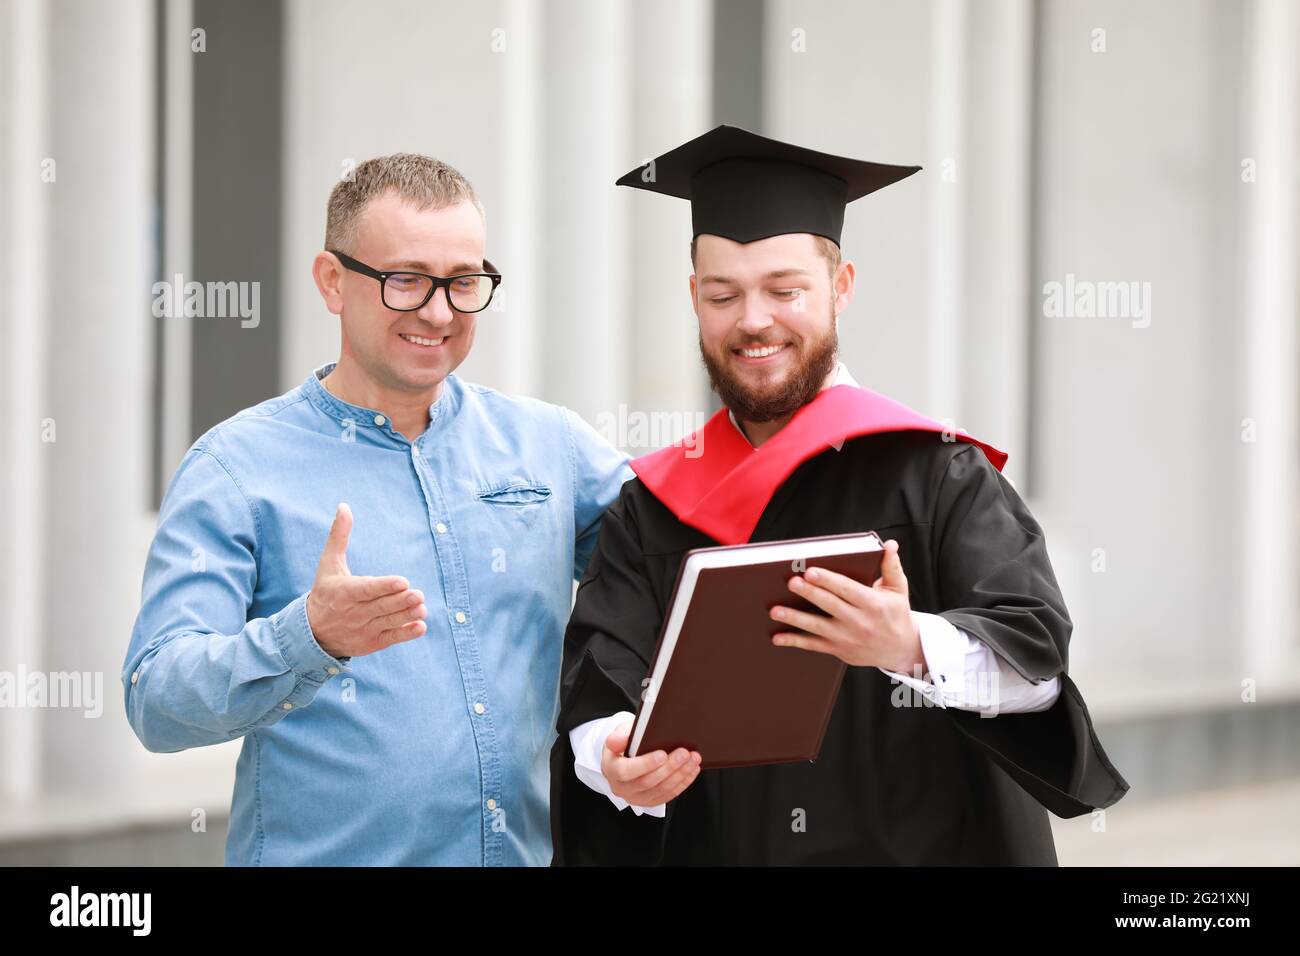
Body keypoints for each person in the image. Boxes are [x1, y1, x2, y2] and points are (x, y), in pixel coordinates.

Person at [550, 126, 1129, 865]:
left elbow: (1035, 676)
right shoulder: (656, 502)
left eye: (784, 290)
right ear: (695, 298)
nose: (753, 320)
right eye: (723, 294)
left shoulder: (937, 472)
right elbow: (599, 686)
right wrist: (616, 760)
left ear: (841, 286)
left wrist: (908, 643)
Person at [124, 153, 631, 865]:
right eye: (406, 281)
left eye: (463, 282)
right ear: (333, 281)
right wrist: (308, 636)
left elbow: (674, 563)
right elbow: (156, 699)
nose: (438, 311)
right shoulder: (235, 468)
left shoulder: (552, 447)